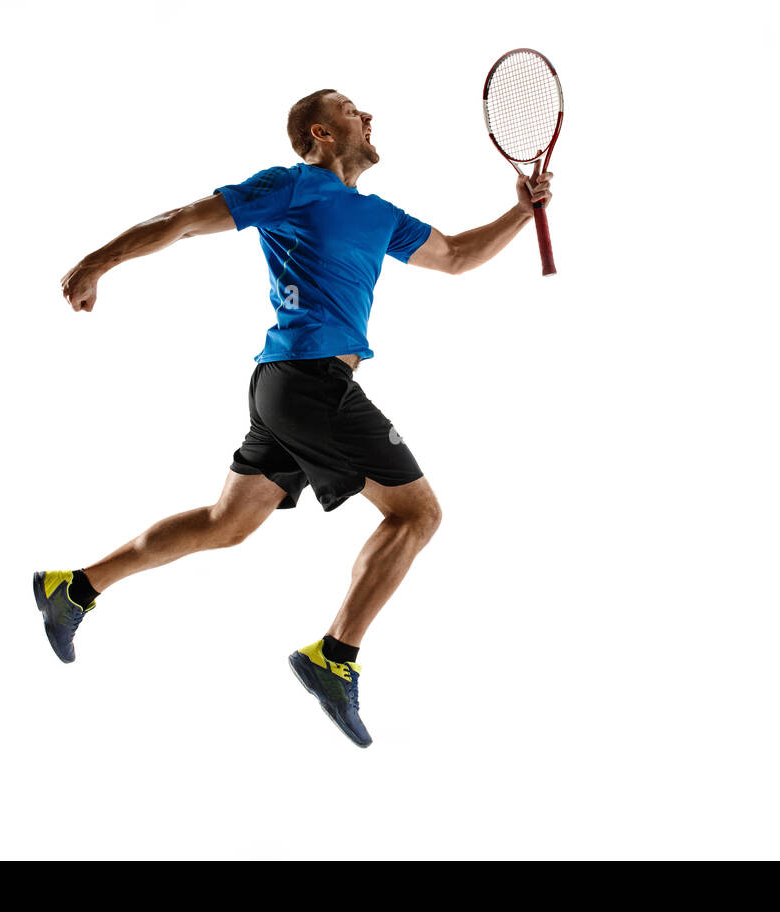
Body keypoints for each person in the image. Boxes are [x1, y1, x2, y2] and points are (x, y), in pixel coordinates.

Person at [35, 88, 554, 747]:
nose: (368, 116)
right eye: (351, 110)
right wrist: (95, 262)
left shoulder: (379, 215)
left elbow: (454, 256)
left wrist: (518, 212)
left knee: (227, 523)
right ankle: (333, 657)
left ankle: (73, 587)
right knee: (417, 514)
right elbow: (183, 220)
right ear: (322, 133)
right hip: (309, 384)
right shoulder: (291, 187)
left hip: (288, 388)